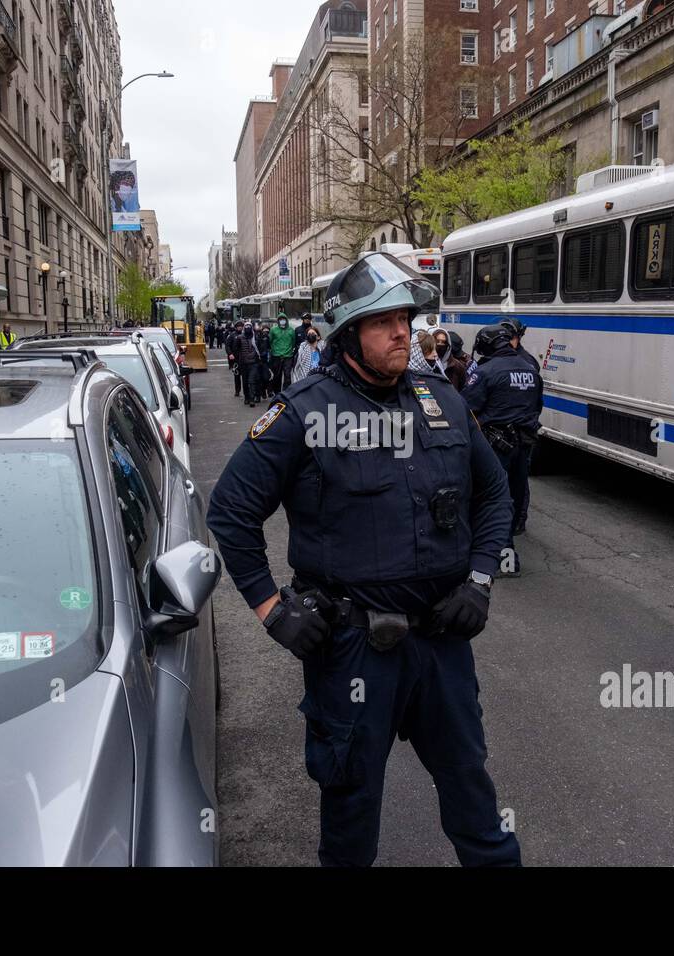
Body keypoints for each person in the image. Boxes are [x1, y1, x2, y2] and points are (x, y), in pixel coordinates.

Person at [206, 253, 521, 867]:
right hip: (351, 651)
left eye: (405, 318)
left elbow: (495, 493)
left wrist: (480, 580)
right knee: (350, 819)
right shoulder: (303, 412)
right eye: (384, 322)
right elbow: (231, 512)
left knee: (474, 800)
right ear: (348, 334)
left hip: (441, 645)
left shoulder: (444, 400)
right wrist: (273, 609)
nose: (404, 331)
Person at [462, 324, 543, 573]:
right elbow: (537, 406)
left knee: (491, 499)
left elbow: (466, 408)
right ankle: (508, 556)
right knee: (516, 495)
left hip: (494, 446)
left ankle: (495, 555)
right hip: (523, 445)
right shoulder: (531, 369)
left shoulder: (485, 372)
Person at [234, 322, 262, 405]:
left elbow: (260, 348)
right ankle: (246, 397)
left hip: (253, 363)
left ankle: (252, 399)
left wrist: (259, 359)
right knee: (245, 382)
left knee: (252, 381)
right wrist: (238, 360)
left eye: (249, 327)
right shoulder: (239, 338)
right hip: (243, 363)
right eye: (246, 327)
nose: (247, 328)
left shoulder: (256, 337)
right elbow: (236, 349)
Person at [270, 311, 296, 392]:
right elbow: (270, 341)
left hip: (288, 356)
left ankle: (286, 392)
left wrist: (290, 351)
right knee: (277, 376)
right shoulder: (273, 330)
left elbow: (293, 342)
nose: (282, 320)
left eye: (283, 319)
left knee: (287, 376)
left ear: (286, 320)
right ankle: (277, 392)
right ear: (278, 320)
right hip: (276, 356)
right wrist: (274, 350)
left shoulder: (291, 330)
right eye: (280, 319)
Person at [227, 322, 243, 398]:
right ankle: (237, 390)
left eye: (241, 326)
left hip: (244, 358)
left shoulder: (245, 334)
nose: (240, 328)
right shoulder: (232, 335)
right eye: (238, 326)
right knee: (237, 375)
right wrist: (230, 354)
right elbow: (228, 346)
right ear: (236, 327)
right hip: (235, 359)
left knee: (246, 376)